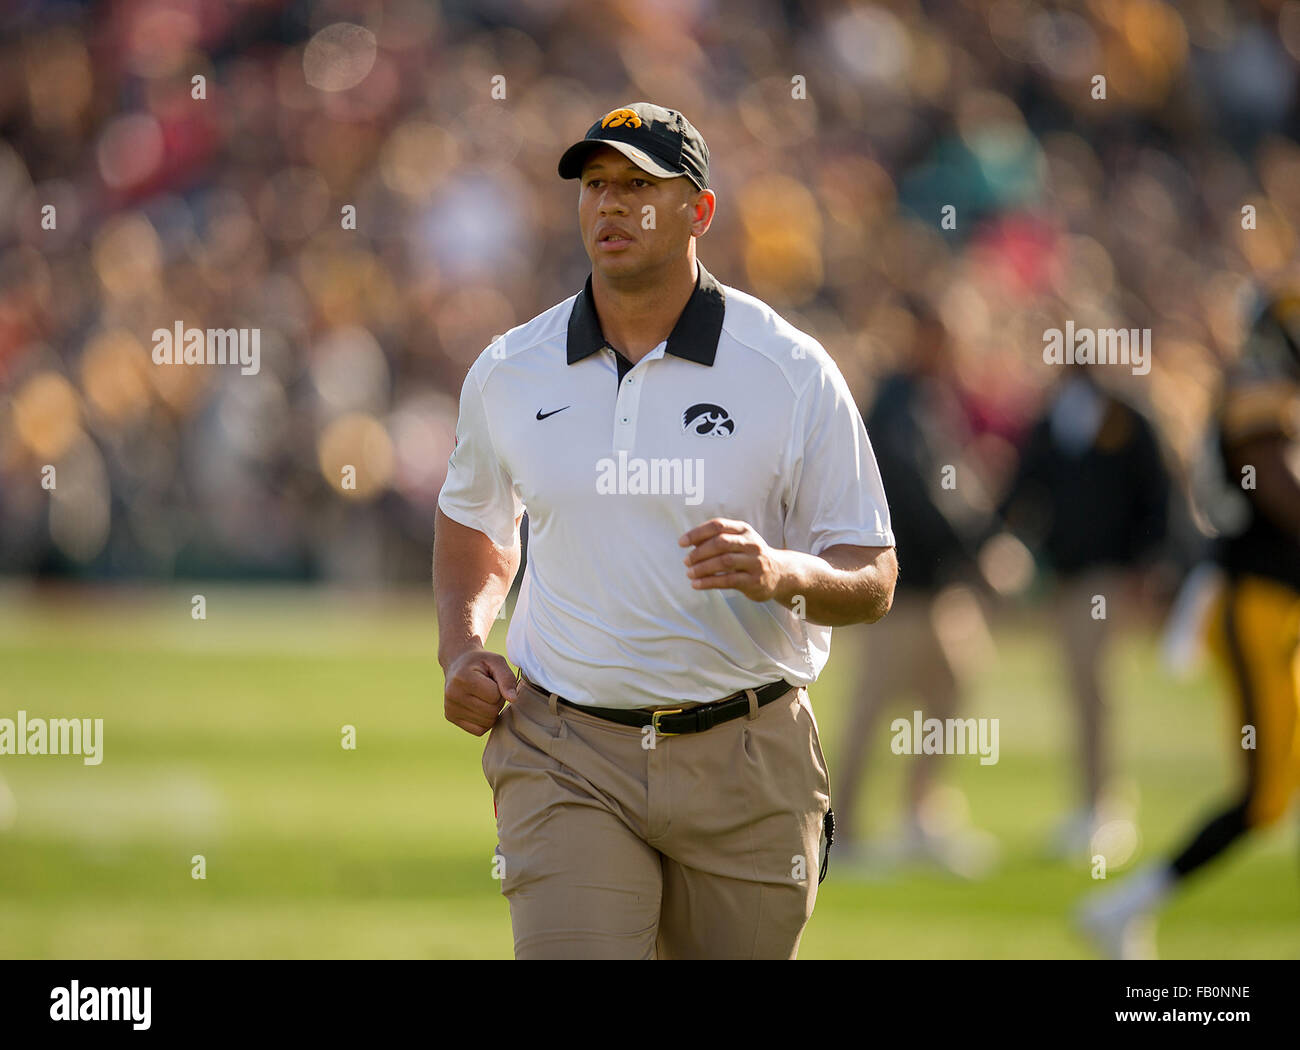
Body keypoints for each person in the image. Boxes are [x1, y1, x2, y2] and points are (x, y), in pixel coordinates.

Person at [433, 102, 898, 959]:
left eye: (640, 187)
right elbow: (474, 519)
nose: (610, 205)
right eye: (596, 185)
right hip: (566, 750)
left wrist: (783, 573)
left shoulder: (790, 370)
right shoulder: (509, 368)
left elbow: (871, 577)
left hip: (750, 756)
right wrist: (463, 646)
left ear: (700, 212)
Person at [1078, 285, 1300, 958]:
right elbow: (1282, 491)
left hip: (1276, 608)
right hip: (1256, 606)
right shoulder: (1259, 393)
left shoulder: (1266, 391)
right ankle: (1122, 907)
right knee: (1264, 800)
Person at [833, 299, 998, 878]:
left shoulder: (932, 398)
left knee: (951, 688)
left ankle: (920, 813)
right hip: (901, 587)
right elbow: (919, 495)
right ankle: (842, 831)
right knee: (872, 707)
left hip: (939, 588)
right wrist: (976, 545)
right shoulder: (898, 401)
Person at [996, 364, 1170, 857]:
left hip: (1109, 576)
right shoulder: (1054, 419)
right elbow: (1024, 488)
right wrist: (999, 538)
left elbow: (1156, 493)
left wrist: (1149, 561)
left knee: (1094, 686)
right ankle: (1092, 803)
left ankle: (1104, 806)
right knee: (1080, 687)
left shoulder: (1127, 418)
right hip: (1065, 578)